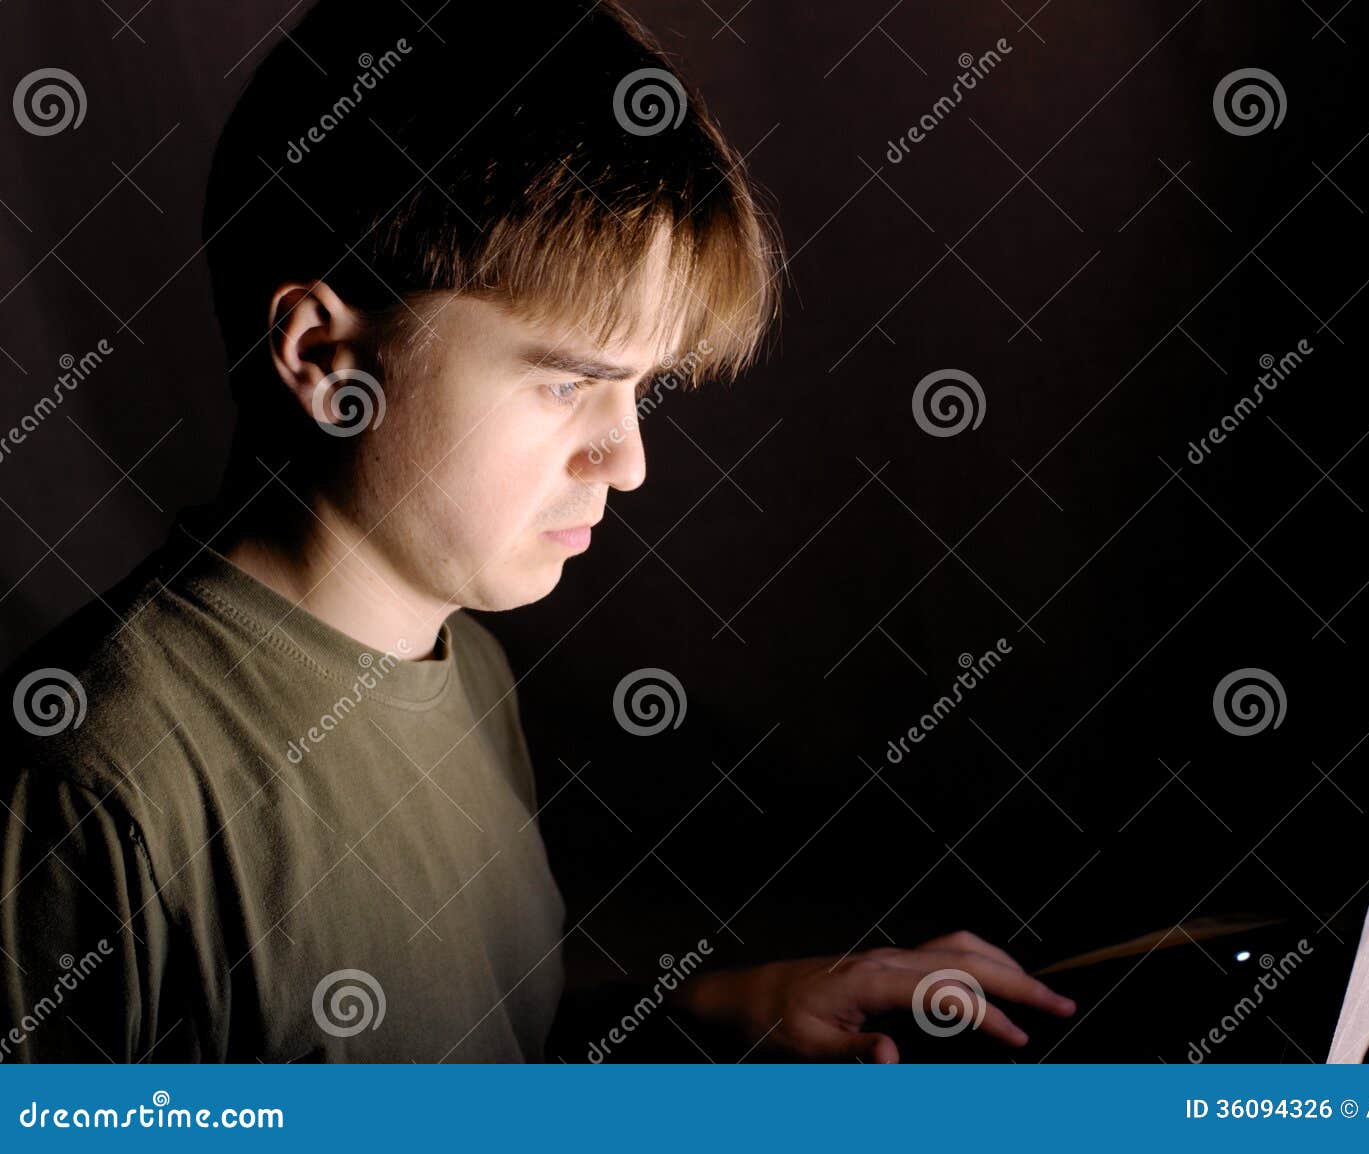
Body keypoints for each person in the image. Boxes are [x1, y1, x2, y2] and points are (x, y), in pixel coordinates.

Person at [0, 0, 1074, 1063]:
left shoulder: (466, 670)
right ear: (327, 360)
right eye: (569, 383)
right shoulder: (90, 780)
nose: (630, 458)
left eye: (642, 390)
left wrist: (704, 1027)